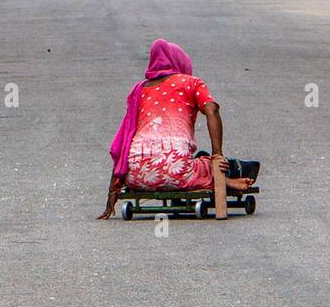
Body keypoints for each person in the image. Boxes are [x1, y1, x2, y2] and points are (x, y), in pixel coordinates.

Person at [98, 39, 259, 220]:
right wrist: (217, 155)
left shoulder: (138, 90)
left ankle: (213, 172)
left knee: (198, 158)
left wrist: (113, 191)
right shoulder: (191, 83)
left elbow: (123, 142)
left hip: (136, 176)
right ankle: (230, 176)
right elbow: (212, 110)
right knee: (214, 163)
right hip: (178, 171)